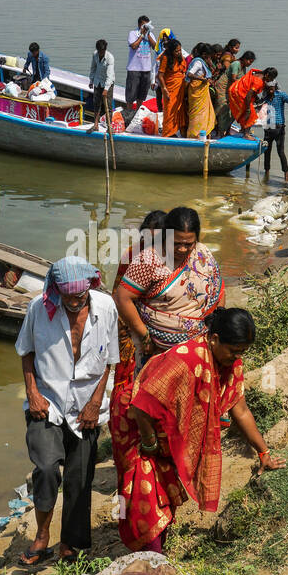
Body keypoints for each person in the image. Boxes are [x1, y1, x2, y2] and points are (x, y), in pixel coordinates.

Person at [116, 307, 285, 553]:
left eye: (242, 352)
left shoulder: (230, 364)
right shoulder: (184, 360)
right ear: (214, 339)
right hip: (136, 422)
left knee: (164, 485)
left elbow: (242, 411)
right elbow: (142, 406)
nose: (237, 358)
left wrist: (263, 453)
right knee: (144, 492)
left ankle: (157, 553)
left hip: (161, 426)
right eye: (233, 351)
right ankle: (148, 559)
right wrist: (150, 442)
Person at [15, 256, 120, 565]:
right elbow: (26, 352)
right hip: (48, 402)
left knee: (80, 477)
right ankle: (43, 535)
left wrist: (95, 403)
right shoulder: (39, 308)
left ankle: (70, 543)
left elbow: (111, 360)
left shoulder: (105, 307)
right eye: (69, 297)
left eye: (80, 296)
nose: (75, 302)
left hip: (88, 405)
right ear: (57, 290)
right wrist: (33, 394)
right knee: (46, 468)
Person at [114, 206, 223, 360]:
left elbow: (217, 291)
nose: (183, 249)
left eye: (189, 244)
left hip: (199, 346)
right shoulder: (149, 259)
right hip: (157, 350)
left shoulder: (202, 254)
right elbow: (122, 298)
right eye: (176, 243)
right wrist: (144, 336)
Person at [109, 210, 166, 504]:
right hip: (133, 337)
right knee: (128, 397)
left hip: (164, 338)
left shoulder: (176, 260)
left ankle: (157, 459)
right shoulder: (132, 256)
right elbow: (119, 299)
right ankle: (134, 459)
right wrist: (139, 338)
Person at [260, 81, 288, 180]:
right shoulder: (264, 96)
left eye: (272, 87)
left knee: (280, 152)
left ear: (275, 86)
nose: (270, 89)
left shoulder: (281, 95)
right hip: (268, 128)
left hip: (279, 128)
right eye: (268, 87)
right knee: (267, 151)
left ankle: (286, 173)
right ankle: (267, 172)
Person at [228, 64, 275, 137]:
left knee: (242, 112)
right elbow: (249, 95)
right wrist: (248, 108)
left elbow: (250, 86)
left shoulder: (257, 73)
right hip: (239, 93)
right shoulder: (259, 82)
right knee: (251, 114)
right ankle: (246, 134)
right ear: (267, 75)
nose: (270, 80)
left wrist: (256, 99)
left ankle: (242, 130)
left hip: (235, 88)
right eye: (271, 78)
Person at [126, 16, 158, 119]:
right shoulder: (133, 33)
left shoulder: (150, 34)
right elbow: (134, 46)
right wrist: (141, 35)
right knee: (131, 96)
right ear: (140, 25)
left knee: (141, 95)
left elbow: (155, 47)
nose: (146, 27)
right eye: (145, 25)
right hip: (134, 69)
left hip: (146, 69)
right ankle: (129, 116)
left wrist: (147, 35)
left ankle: (137, 117)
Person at [158, 38, 188, 138]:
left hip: (180, 88)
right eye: (176, 51)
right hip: (170, 88)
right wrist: (164, 89)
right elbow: (160, 75)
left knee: (181, 110)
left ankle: (181, 132)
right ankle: (167, 134)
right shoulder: (165, 58)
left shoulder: (181, 57)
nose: (179, 52)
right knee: (170, 111)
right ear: (171, 51)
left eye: (180, 50)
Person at [184, 44, 215, 139]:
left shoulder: (204, 63)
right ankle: (194, 135)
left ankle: (203, 133)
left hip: (201, 92)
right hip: (196, 93)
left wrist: (210, 63)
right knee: (197, 114)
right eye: (209, 56)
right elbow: (189, 74)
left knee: (204, 114)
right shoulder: (198, 62)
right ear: (205, 54)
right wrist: (202, 80)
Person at [87, 39, 115, 134]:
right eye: (99, 51)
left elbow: (110, 75)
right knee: (96, 104)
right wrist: (91, 80)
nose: (100, 53)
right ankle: (95, 125)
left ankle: (109, 126)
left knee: (108, 105)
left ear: (105, 50)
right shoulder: (95, 55)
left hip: (108, 83)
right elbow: (93, 68)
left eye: (102, 51)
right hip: (98, 82)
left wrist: (106, 89)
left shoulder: (110, 58)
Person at [210, 48, 233, 136]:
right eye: (217, 55)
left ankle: (220, 130)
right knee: (219, 109)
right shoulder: (225, 58)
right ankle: (216, 130)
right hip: (215, 88)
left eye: (220, 55)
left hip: (219, 88)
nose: (218, 56)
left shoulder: (221, 61)